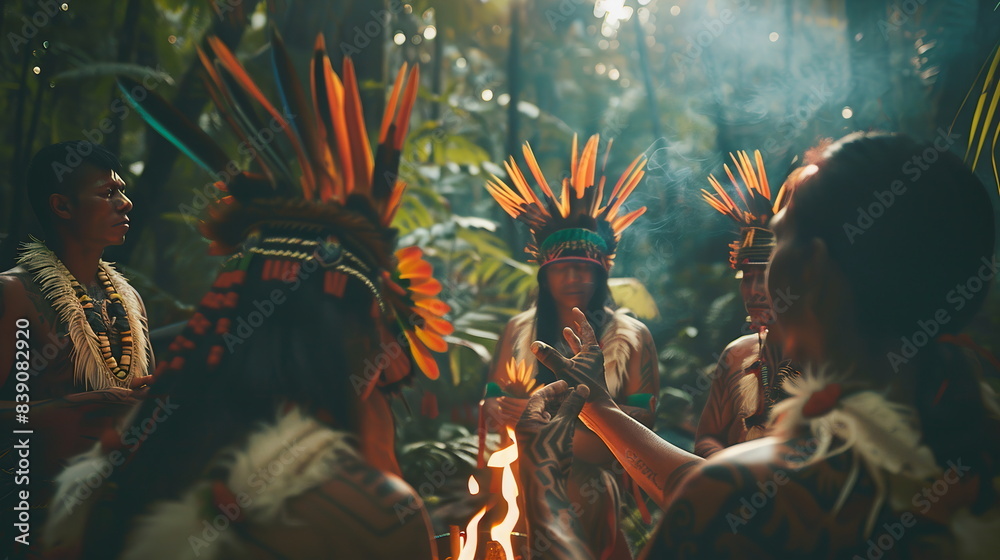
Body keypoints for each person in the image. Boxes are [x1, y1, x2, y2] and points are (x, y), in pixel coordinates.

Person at [42, 34, 450, 558]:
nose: (386, 353)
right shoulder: (372, 510)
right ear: (343, 334)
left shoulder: (108, 479)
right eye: (379, 325)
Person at [519, 132, 1000, 559]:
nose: (761, 281)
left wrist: (543, 485)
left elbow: (724, 496)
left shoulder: (741, 492)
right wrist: (601, 410)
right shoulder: (965, 448)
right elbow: (711, 485)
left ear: (809, 268)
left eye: (779, 239)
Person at [482, 135, 660, 559]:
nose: (574, 277)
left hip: (592, 487)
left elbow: (640, 424)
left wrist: (542, 426)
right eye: (563, 268)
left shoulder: (632, 338)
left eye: (585, 268)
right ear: (544, 275)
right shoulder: (517, 330)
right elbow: (491, 402)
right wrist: (499, 410)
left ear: (601, 275)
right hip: (518, 481)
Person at [0, 141, 153, 555]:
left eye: (122, 190)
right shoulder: (13, 293)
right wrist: (82, 404)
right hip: (30, 517)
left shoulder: (129, 300)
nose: (125, 203)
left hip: (113, 515)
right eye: (108, 193)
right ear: (62, 207)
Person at [694, 151, 800, 457]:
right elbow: (707, 438)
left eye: (764, 277)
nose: (753, 291)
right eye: (746, 277)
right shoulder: (736, 354)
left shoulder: (827, 355)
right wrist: (730, 473)